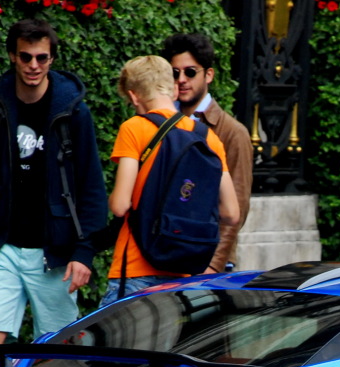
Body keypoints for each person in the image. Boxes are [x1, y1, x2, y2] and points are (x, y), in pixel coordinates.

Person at [0, 18, 106, 346]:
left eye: (41, 57)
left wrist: (84, 251)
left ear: (52, 59)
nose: (33, 65)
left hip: (54, 251)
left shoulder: (74, 113)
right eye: (26, 56)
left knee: (56, 349)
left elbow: (91, 185)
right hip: (2, 246)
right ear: (12, 57)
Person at [102, 56, 239, 305]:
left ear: (133, 97)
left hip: (135, 270)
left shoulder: (133, 128)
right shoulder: (208, 138)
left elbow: (120, 205)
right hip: (183, 275)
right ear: (175, 88)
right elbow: (231, 213)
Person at [162, 33, 251, 274]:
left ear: (208, 75)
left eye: (190, 72)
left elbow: (237, 208)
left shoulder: (233, 132)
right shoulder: (162, 123)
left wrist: (212, 266)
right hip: (165, 255)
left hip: (208, 261)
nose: (181, 80)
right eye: (174, 73)